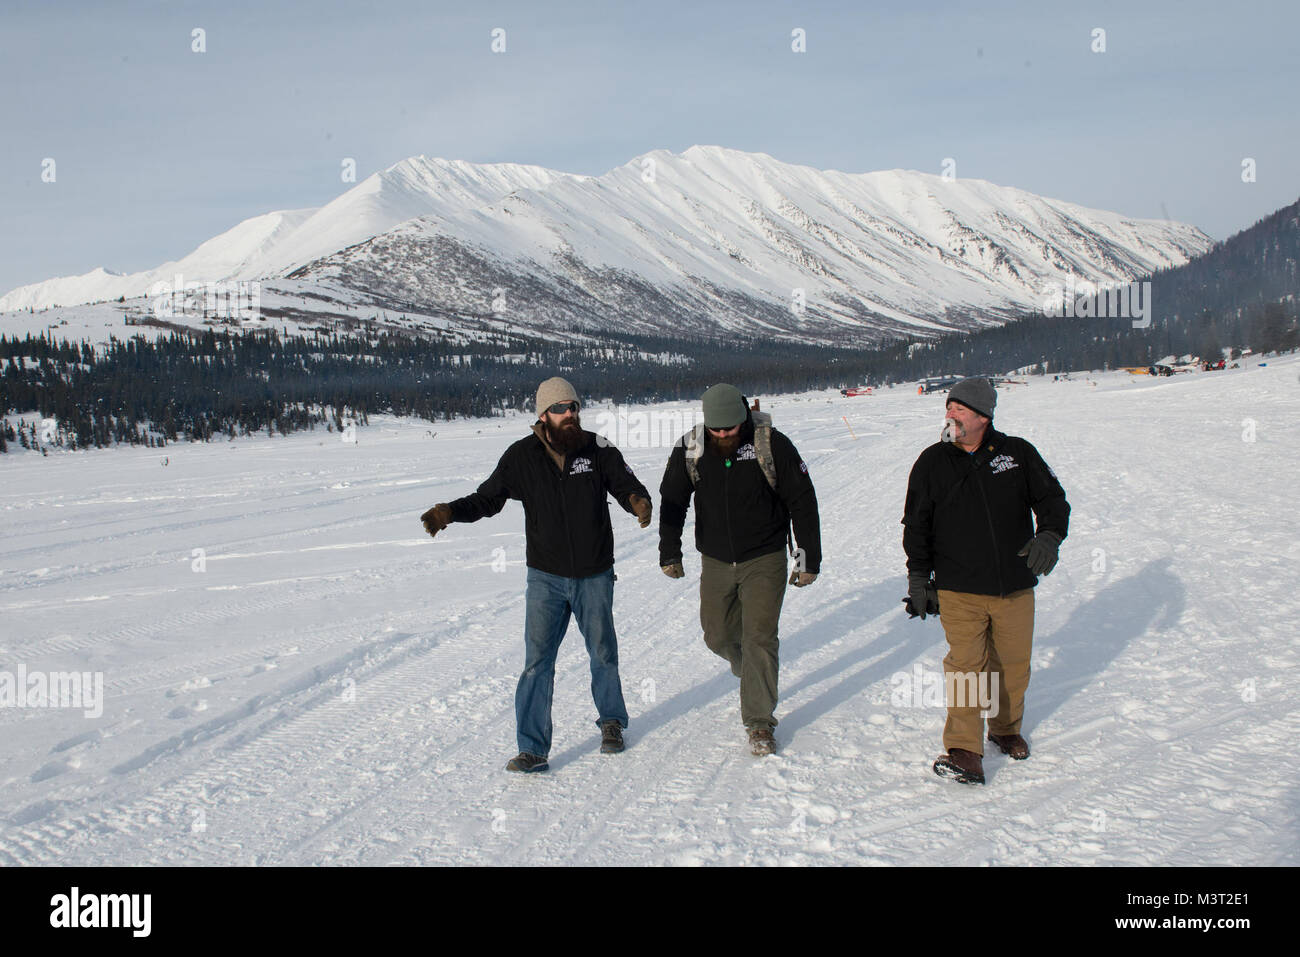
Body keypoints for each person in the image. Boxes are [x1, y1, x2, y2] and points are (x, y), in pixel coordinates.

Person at [420, 377, 653, 774]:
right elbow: (487, 499)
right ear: (543, 415)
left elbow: (625, 483)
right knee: (536, 663)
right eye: (560, 408)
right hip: (545, 577)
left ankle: (611, 722)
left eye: (574, 407)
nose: (569, 414)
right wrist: (450, 512)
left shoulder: (597, 449)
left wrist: (637, 501)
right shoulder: (521, 457)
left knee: (602, 653)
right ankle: (532, 748)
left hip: (594, 573)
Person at [901, 377, 1069, 785]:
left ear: (982, 416)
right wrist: (919, 577)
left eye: (958, 409)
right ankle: (964, 750)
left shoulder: (1017, 453)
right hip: (958, 586)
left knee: (1012, 666)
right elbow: (916, 524)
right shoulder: (932, 462)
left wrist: (1049, 534)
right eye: (949, 408)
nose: (950, 415)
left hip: (1015, 583)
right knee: (966, 667)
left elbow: (1053, 500)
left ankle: (1005, 728)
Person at [658, 384, 821, 757]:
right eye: (716, 430)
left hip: (764, 558)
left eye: (730, 429)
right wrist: (670, 550)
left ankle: (760, 723)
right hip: (715, 560)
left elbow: (802, 501)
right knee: (716, 634)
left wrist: (806, 557)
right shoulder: (692, 448)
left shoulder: (771, 444)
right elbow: (673, 501)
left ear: (743, 417)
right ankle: (751, 673)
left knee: (759, 637)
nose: (723, 435)